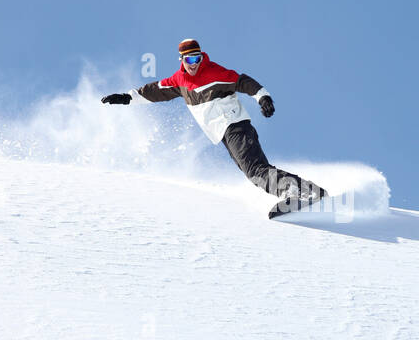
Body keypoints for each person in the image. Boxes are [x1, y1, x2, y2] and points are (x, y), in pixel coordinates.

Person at [102, 38, 327, 216]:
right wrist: (126, 97)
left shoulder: (214, 72)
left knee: (256, 170)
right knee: (253, 173)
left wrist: (263, 97)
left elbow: (243, 81)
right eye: (189, 60)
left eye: (197, 58)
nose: (195, 64)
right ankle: (310, 191)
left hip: (236, 126)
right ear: (181, 60)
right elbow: (152, 90)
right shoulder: (179, 81)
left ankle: (293, 191)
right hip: (223, 133)